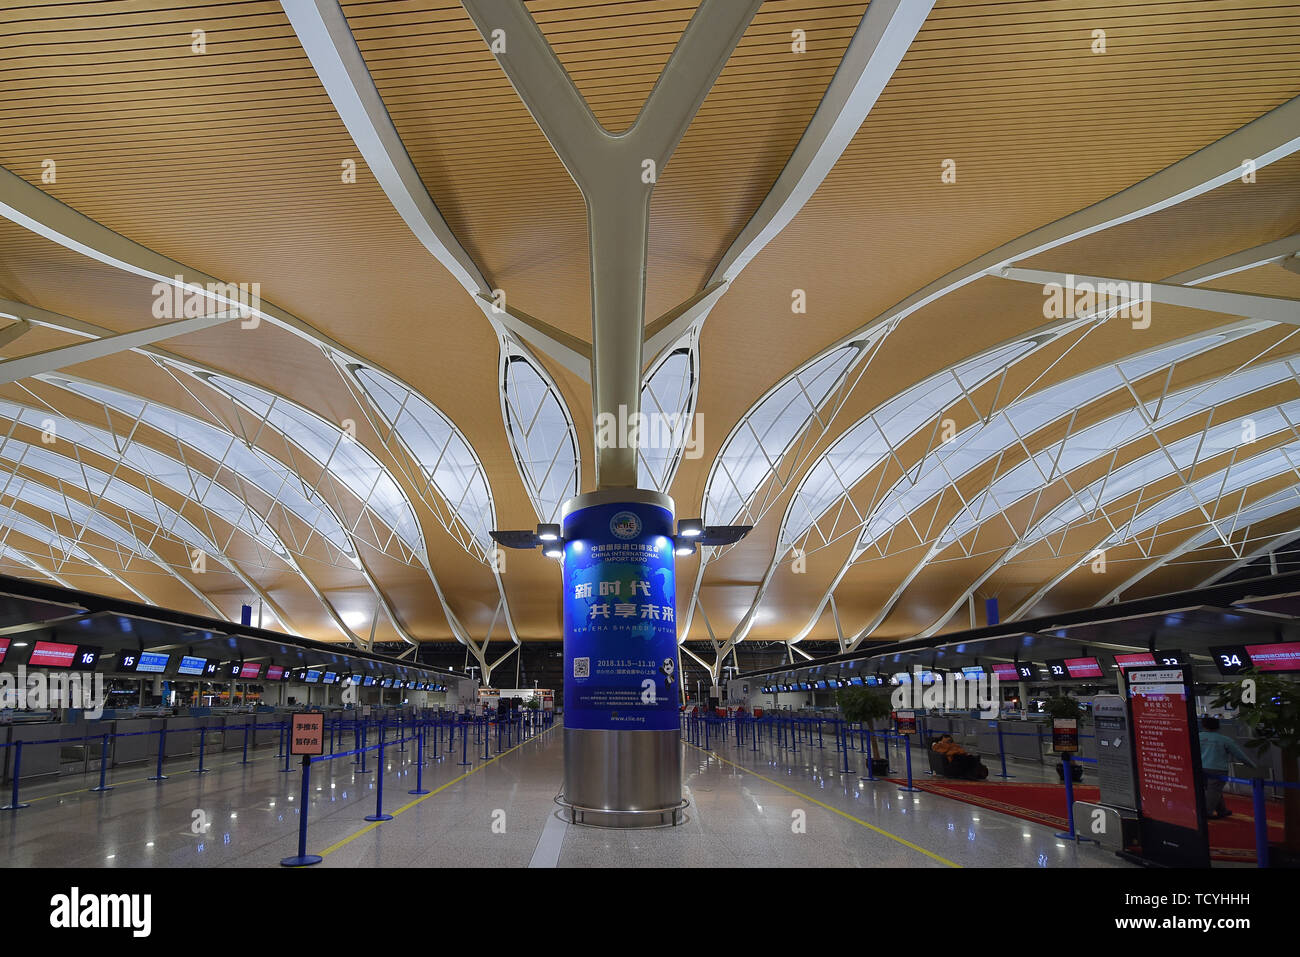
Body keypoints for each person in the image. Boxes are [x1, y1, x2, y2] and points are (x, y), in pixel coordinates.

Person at [1199, 716, 1253, 819]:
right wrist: (1252, 766)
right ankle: (1207, 812)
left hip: (1201, 768)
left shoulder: (1197, 737)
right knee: (1214, 791)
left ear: (1203, 725)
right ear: (1218, 727)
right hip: (1218, 769)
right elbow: (1240, 755)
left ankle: (1222, 810)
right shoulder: (1224, 740)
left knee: (1213, 790)